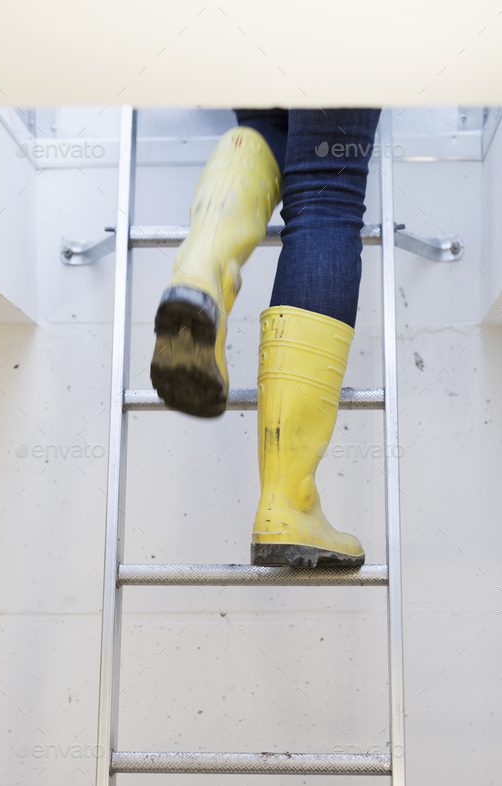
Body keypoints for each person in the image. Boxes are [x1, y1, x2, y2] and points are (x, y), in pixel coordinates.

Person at [150, 108, 381, 569]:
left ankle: (198, 279)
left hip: (247, 36)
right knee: (326, 191)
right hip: (345, 38)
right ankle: (287, 504)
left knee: (267, 127)